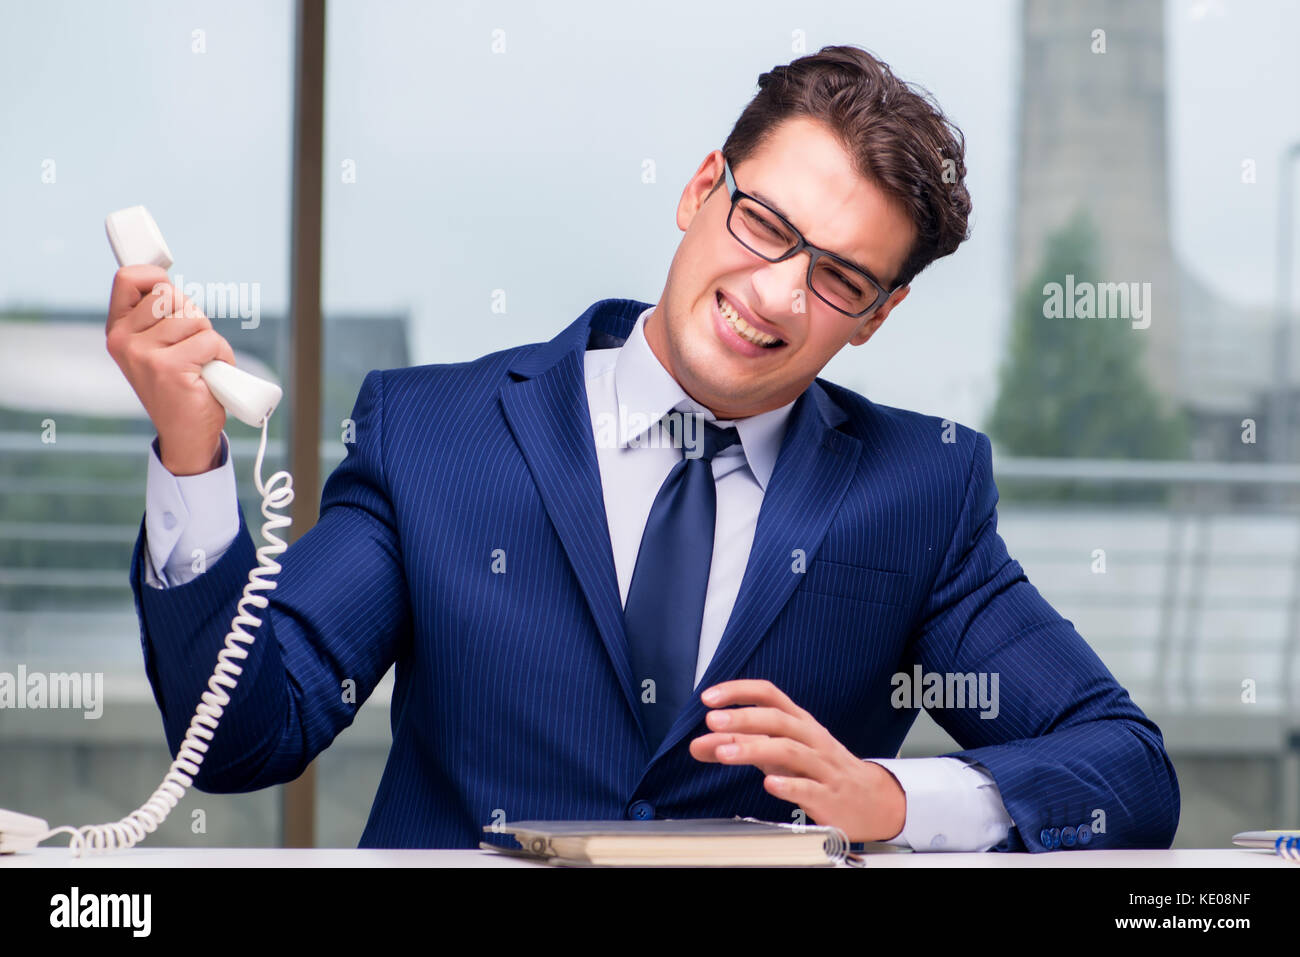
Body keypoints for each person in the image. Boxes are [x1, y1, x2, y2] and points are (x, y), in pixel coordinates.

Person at [105, 44, 1179, 852]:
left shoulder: (919, 490)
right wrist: (193, 457)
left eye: (841, 278)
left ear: (875, 315)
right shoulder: (434, 436)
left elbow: (1124, 770)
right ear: (701, 188)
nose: (776, 296)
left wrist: (894, 804)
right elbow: (246, 740)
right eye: (764, 224)